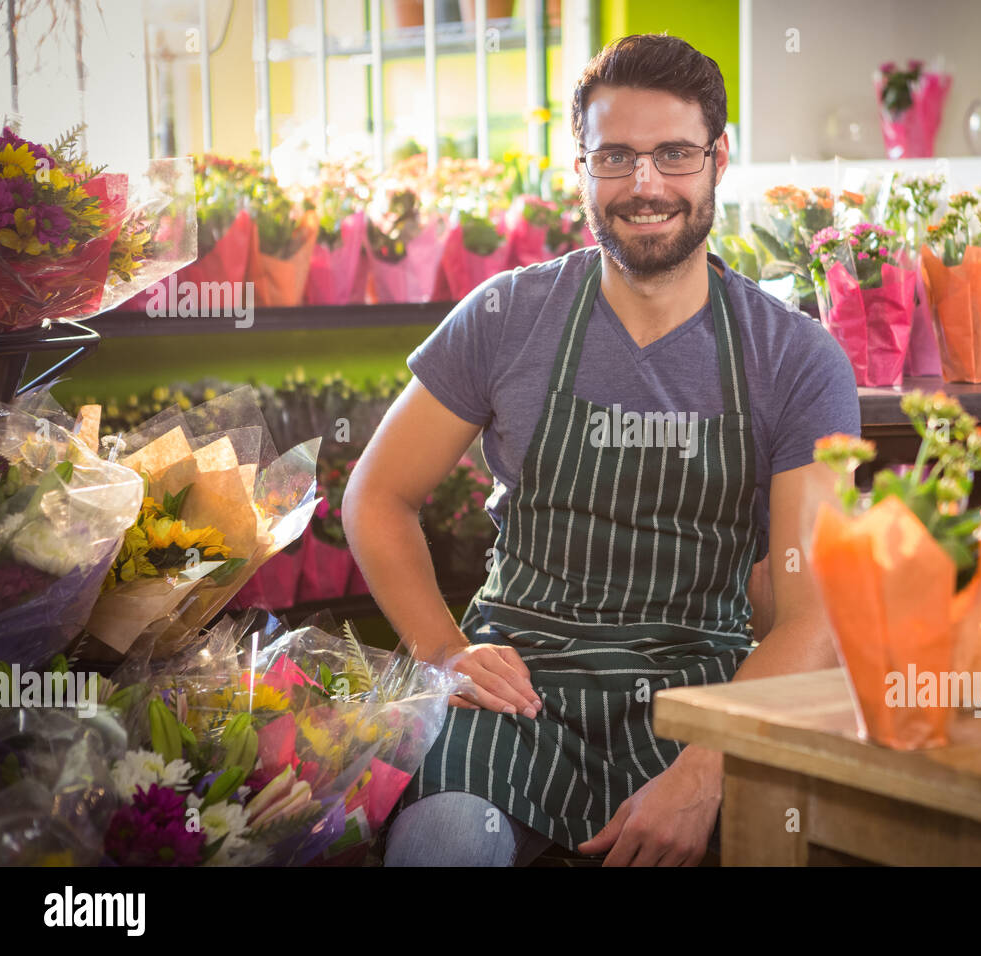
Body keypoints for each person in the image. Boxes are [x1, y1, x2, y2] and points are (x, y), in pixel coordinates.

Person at [343, 33, 862, 867]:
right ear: (580, 162)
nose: (645, 185)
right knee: (443, 841)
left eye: (674, 154)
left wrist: (708, 768)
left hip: (701, 691)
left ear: (718, 159)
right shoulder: (507, 316)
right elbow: (376, 496)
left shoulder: (795, 359)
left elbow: (814, 614)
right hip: (519, 687)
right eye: (615, 156)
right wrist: (443, 652)